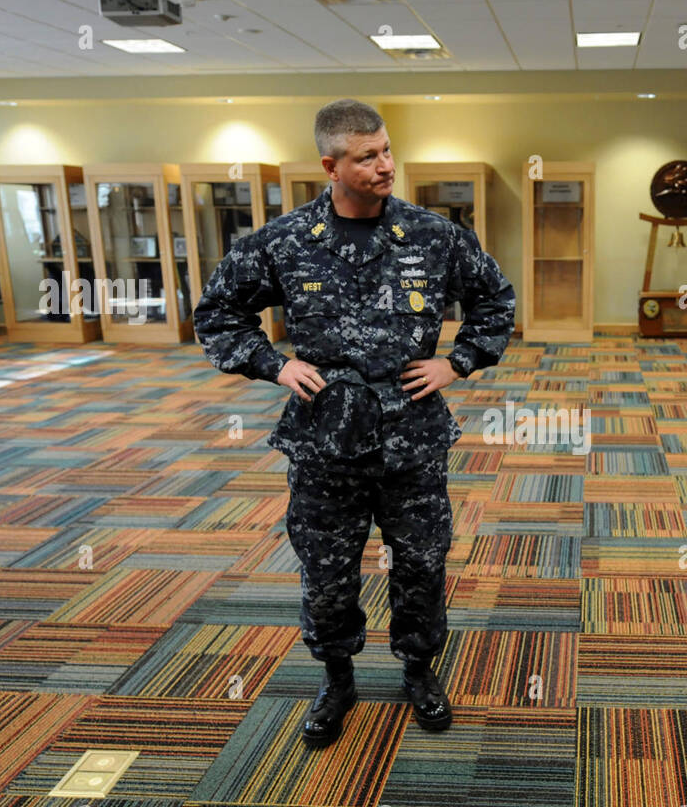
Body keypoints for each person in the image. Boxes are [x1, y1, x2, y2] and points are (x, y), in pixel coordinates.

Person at [193, 98, 515, 749]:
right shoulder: (285, 240)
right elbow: (217, 313)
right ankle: (336, 679)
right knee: (327, 567)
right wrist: (274, 365)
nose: (385, 165)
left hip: (412, 434)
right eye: (367, 156)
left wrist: (458, 361)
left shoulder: (433, 235)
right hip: (325, 439)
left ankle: (419, 669)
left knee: (422, 561)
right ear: (330, 165)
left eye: (388, 150)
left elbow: (494, 299)